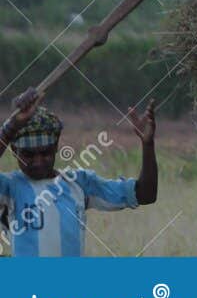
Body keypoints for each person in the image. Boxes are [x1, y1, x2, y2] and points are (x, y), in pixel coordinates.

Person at [0, 89, 157, 257]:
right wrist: (11, 127)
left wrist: (147, 144)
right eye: (28, 155)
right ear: (15, 150)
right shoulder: (10, 187)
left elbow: (145, 195)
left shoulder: (80, 183)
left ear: (56, 147)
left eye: (45, 153)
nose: (38, 162)